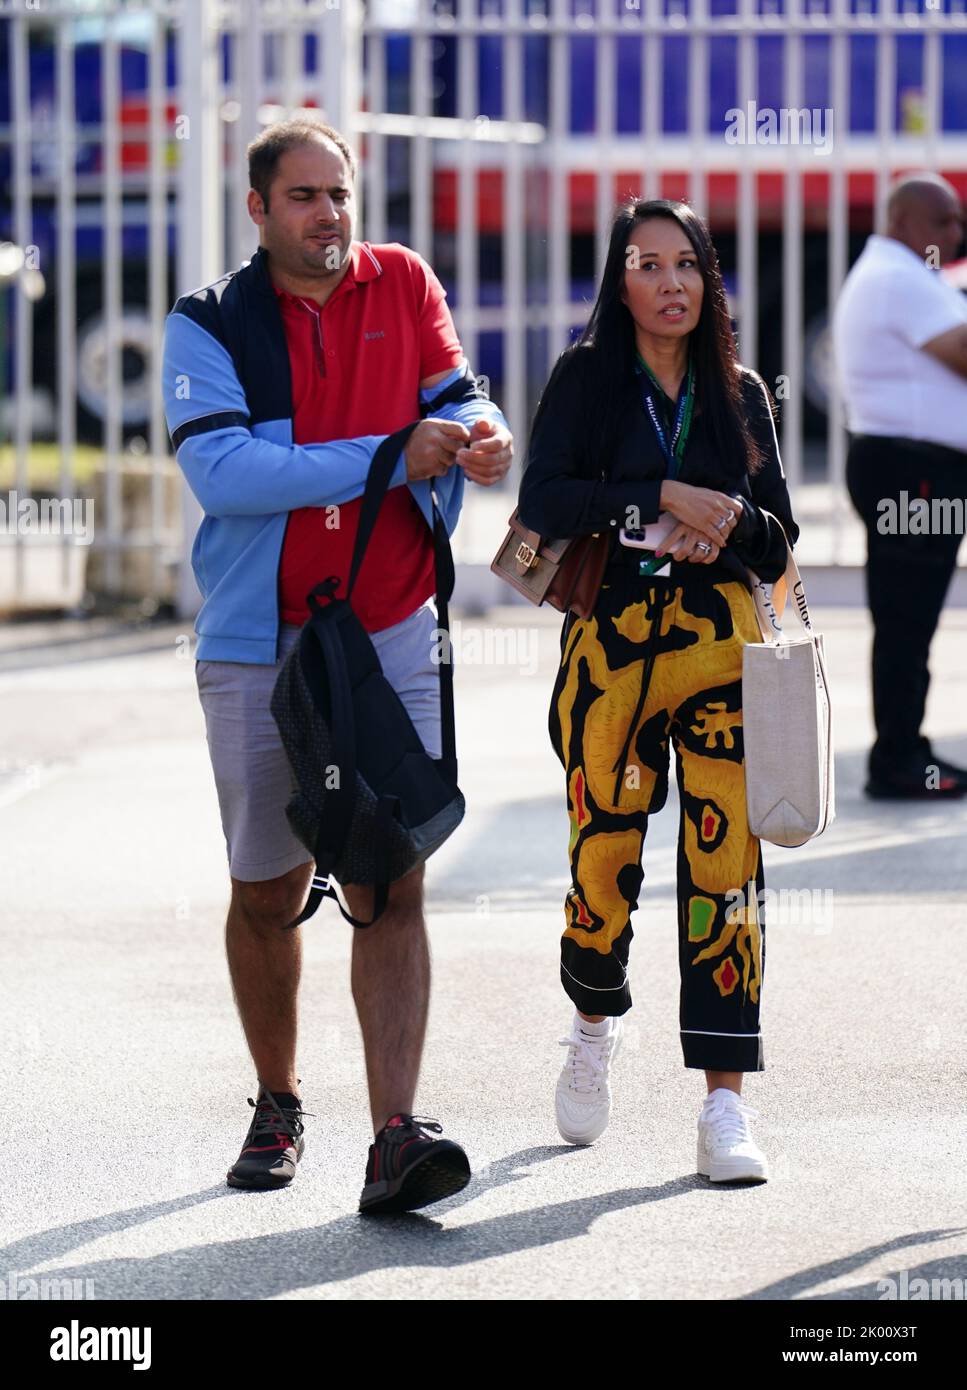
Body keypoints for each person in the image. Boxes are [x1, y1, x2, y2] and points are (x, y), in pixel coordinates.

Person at [161, 118, 513, 1213]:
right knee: (266, 890)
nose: (329, 215)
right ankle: (278, 1098)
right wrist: (383, 454)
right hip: (258, 643)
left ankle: (394, 1136)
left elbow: (453, 398)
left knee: (389, 874)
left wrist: (483, 430)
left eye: (341, 194)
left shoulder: (404, 282)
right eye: (305, 196)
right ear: (258, 209)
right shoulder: (207, 322)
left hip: (393, 627)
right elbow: (224, 471)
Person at [518, 198, 799, 1182]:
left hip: (725, 661)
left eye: (687, 264)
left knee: (728, 875)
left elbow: (781, 537)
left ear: (708, 277)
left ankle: (724, 1103)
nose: (670, 283)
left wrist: (727, 525)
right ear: (620, 278)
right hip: (612, 660)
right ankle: (593, 1023)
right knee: (602, 858)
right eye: (648, 264)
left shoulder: (741, 392)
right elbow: (541, 502)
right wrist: (657, 499)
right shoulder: (585, 378)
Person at [833, 172, 967, 800]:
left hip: (911, 470)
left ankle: (906, 753)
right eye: (944, 221)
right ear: (906, 219)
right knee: (908, 619)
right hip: (914, 475)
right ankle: (899, 761)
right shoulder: (898, 278)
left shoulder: (901, 275)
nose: (955, 232)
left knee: (906, 619)